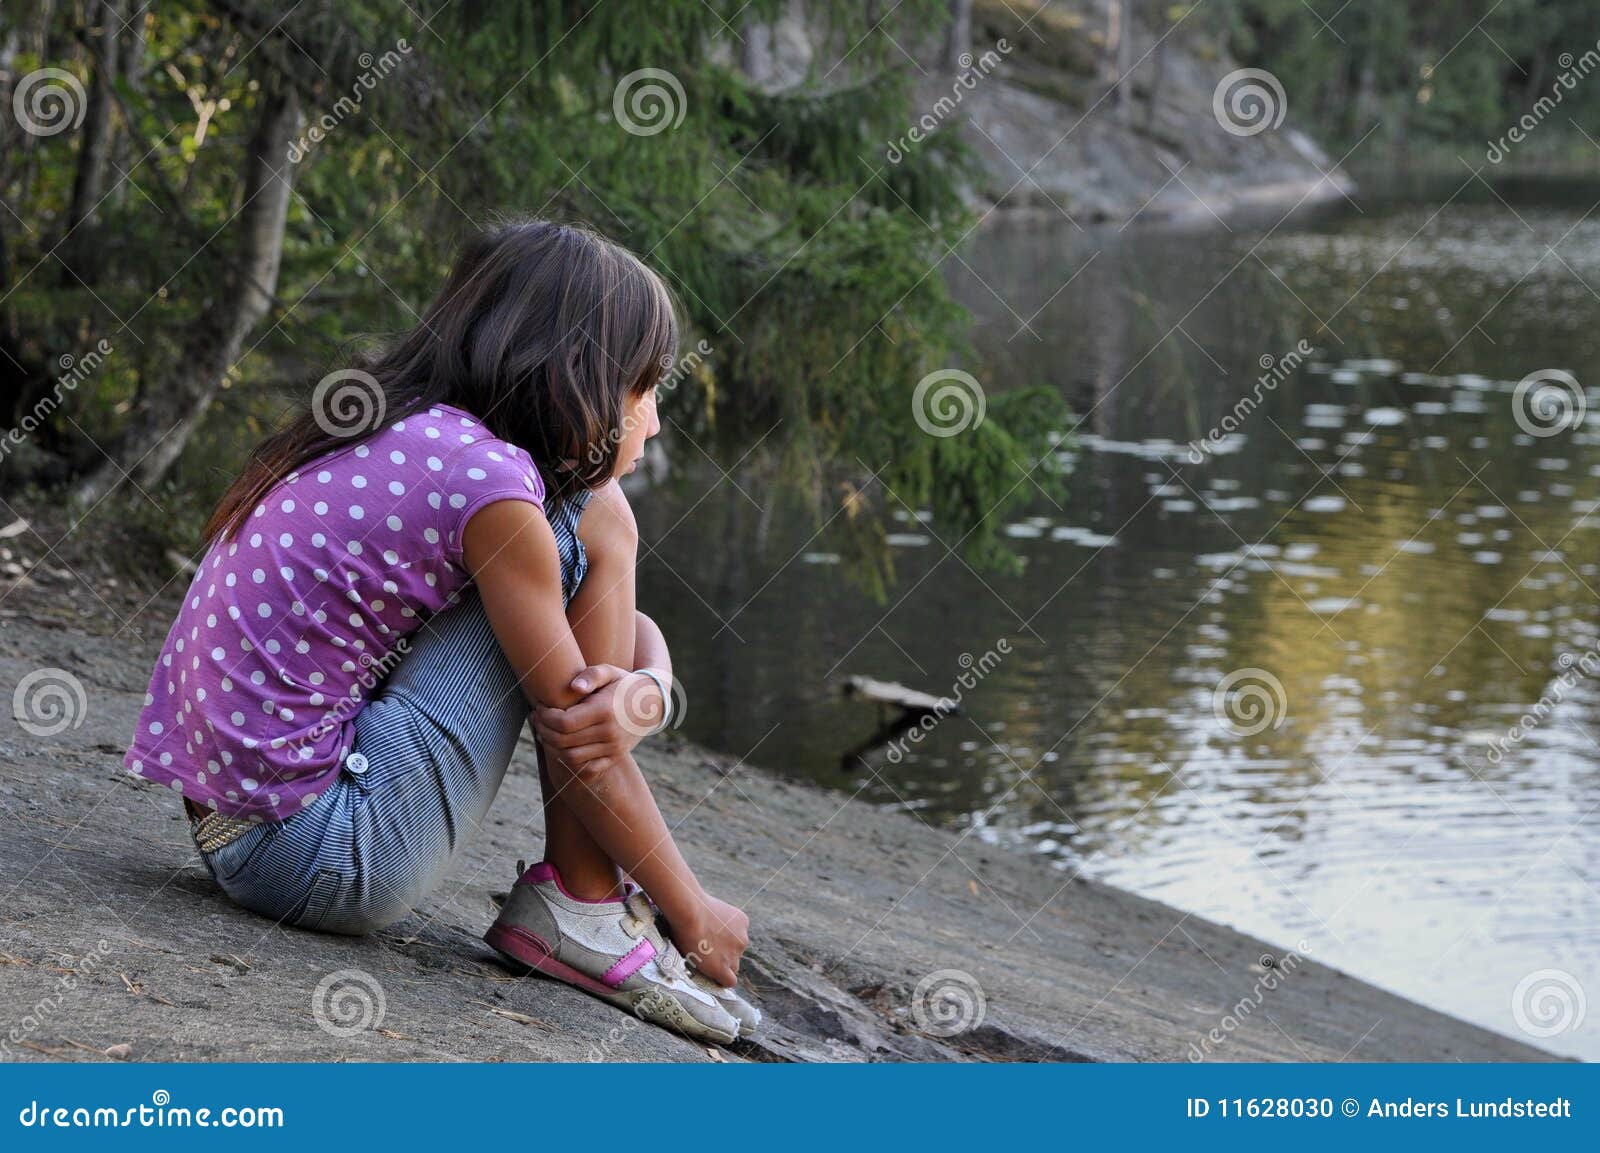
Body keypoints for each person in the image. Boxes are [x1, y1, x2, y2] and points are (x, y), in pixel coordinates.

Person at [124, 219, 756, 1044]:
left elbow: (612, 642)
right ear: (579, 376)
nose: (656, 422)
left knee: (585, 533)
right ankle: (585, 904)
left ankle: (585, 897)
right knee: (600, 517)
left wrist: (651, 683)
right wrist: (693, 909)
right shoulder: (493, 491)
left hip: (237, 829)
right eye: (646, 389)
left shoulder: (401, 426)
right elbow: (575, 717)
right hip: (320, 852)